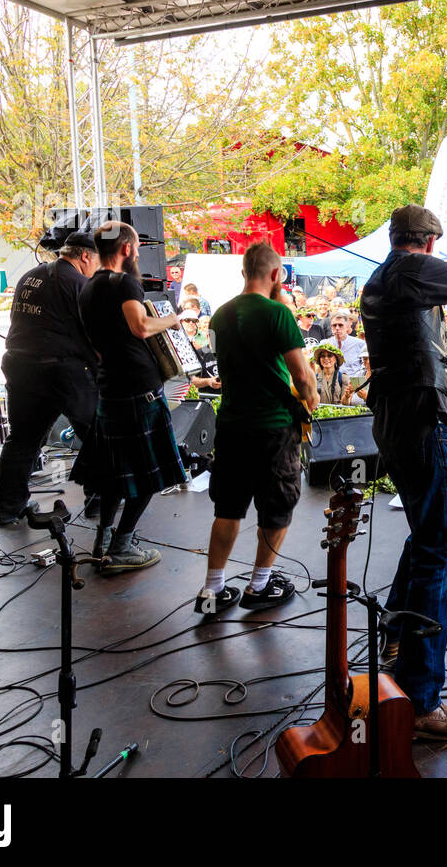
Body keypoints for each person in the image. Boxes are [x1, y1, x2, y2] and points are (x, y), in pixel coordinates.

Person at [360, 204, 447, 742]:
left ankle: (397, 635)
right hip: (423, 420)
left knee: (425, 537)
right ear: (427, 242)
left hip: (397, 420)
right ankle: (421, 703)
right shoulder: (411, 270)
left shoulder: (383, 278)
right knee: (442, 550)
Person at [194, 244, 319, 616]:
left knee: (228, 508)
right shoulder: (278, 313)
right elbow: (302, 376)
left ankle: (213, 590)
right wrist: (310, 401)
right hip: (273, 428)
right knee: (276, 507)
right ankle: (259, 585)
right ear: (276, 274)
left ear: (243, 272)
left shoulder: (220, 315)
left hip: (231, 425)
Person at [70, 221, 186, 571]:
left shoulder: (88, 287)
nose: (137, 254)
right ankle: (121, 547)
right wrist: (174, 319)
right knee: (149, 474)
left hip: (110, 389)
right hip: (139, 391)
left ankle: (103, 540)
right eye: (135, 248)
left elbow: (92, 344)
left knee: (114, 474)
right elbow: (141, 326)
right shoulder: (125, 283)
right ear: (124, 250)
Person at [0, 231, 101, 525]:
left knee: (22, 440)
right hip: (60, 370)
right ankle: (98, 501)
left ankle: (7, 508)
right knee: (96, 435)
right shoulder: (78, 283)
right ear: (84, 256)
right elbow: (91, 334)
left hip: (20, 366)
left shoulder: (31, 275)